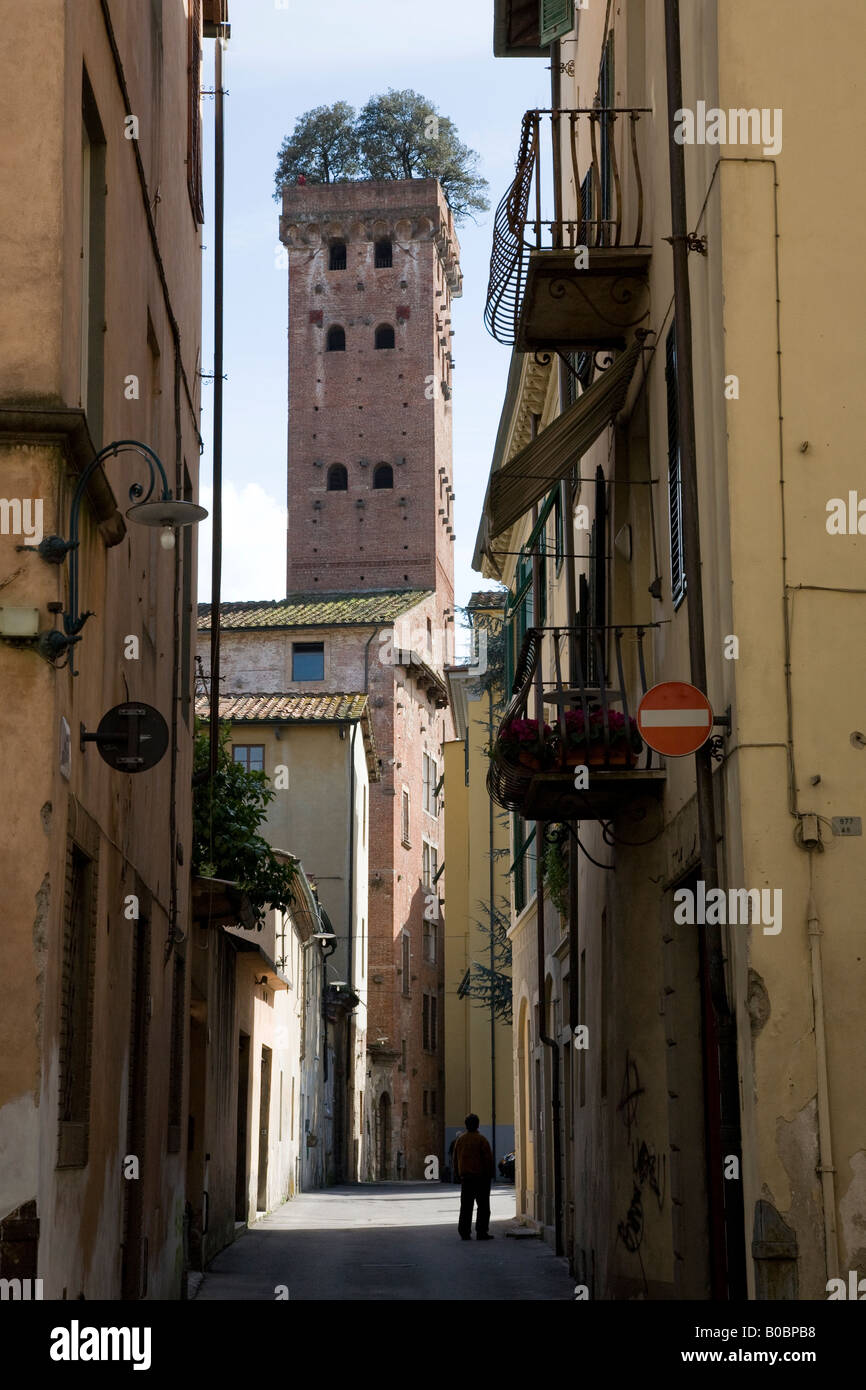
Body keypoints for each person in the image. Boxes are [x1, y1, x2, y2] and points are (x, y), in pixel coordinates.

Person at [452, 1114, 494, 1240]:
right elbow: (488, 1160)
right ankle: (481, 1232)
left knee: (466, 1206)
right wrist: (489, 1175)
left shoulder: (460, 1140)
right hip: (481, 1178)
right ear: (478, 1125)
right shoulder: (482, 1140)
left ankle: (464, 1232)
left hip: (466, 1178)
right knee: (483, 1206)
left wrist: (457, 1174)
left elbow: (455, 1158)